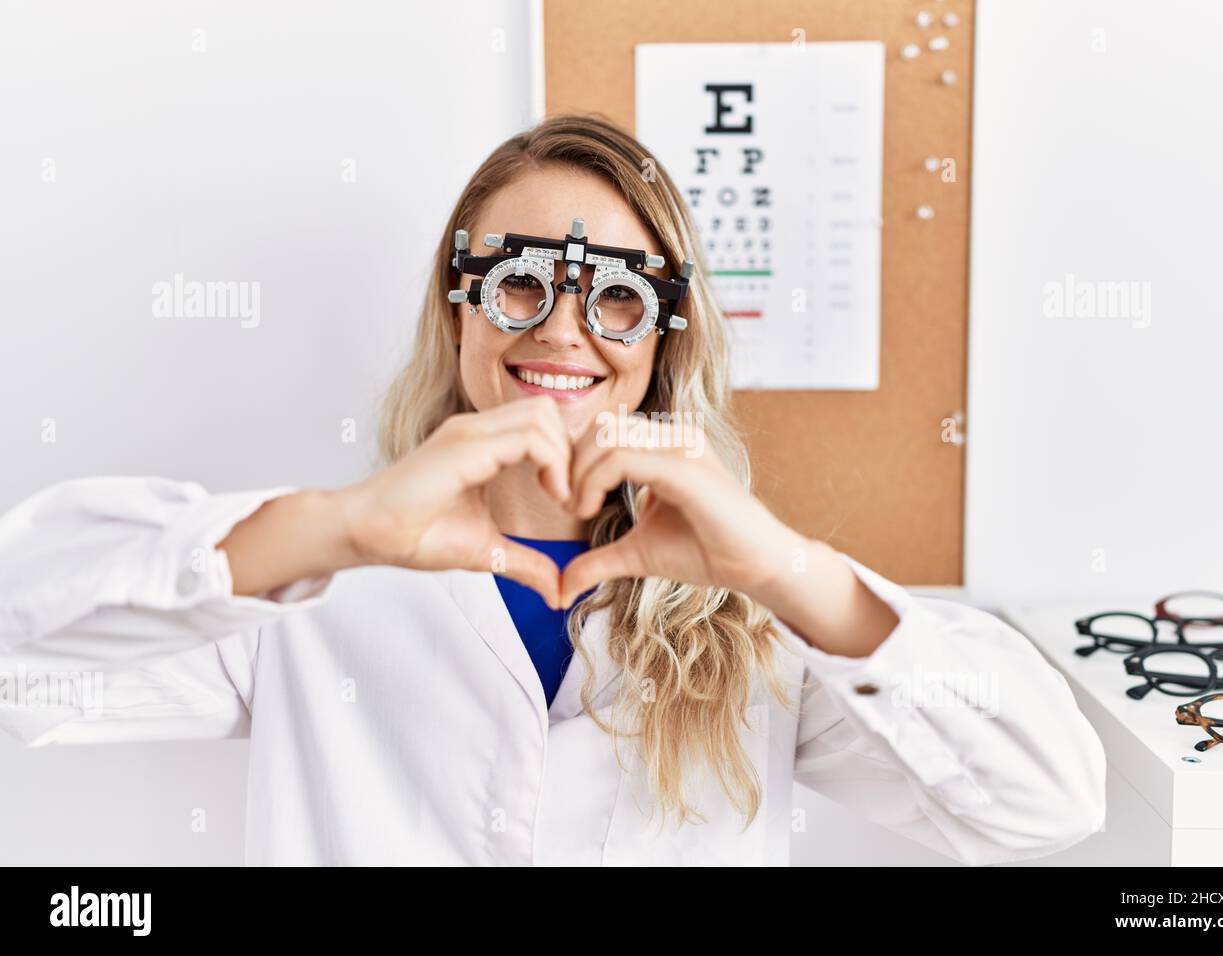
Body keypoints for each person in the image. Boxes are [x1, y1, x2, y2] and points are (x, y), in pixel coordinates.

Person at [0, 114, 1105, 866]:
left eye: (618, 297)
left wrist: (782, 569)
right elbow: (18, 649)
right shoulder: (312, 585)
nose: (565, 328)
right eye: (521, 281)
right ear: (459, 312)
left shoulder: (764, 620)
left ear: (665, 342)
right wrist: (334, 527)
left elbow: (1048, 800)